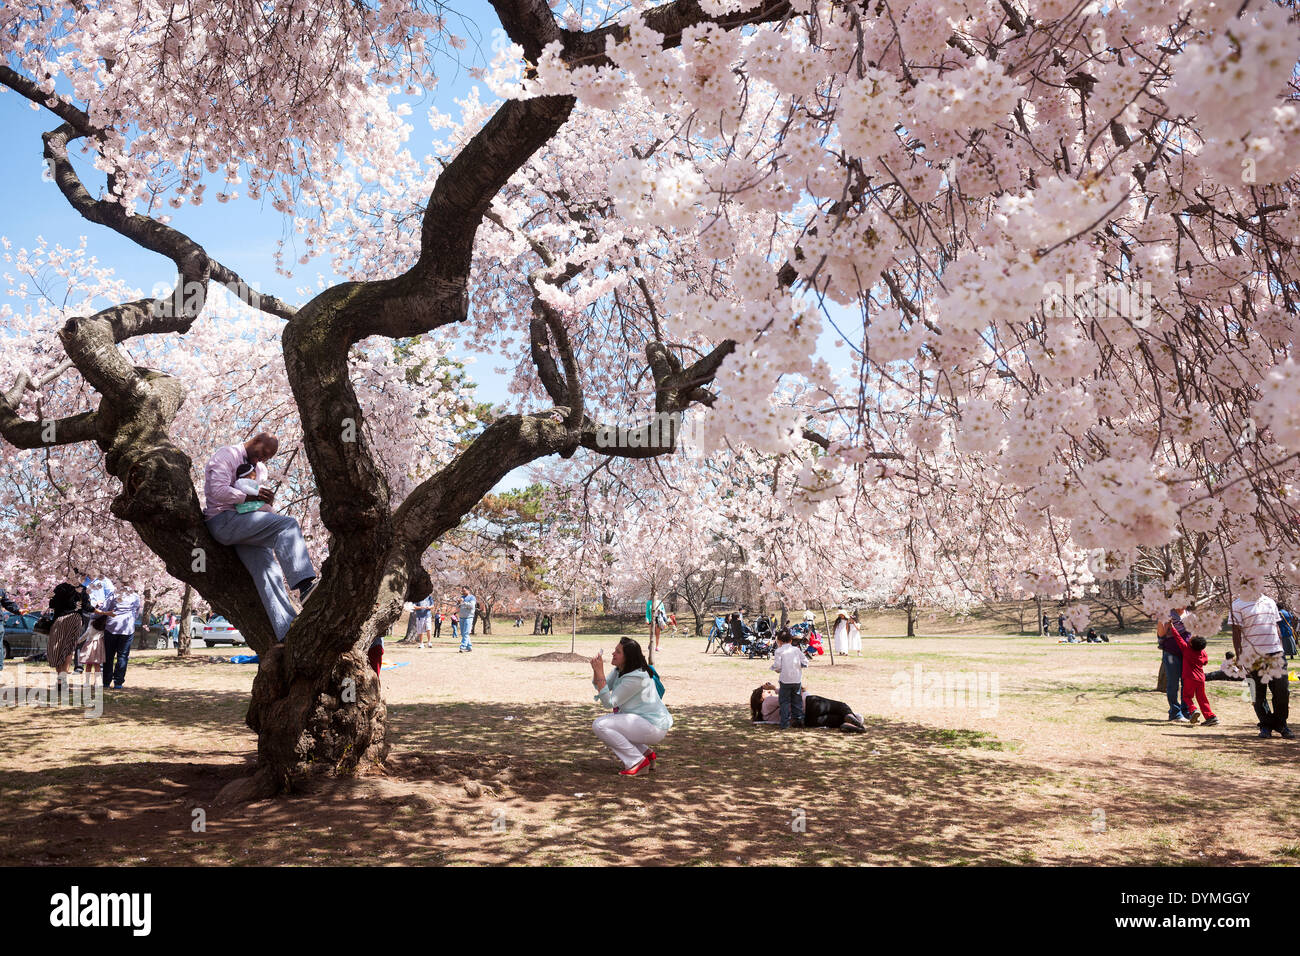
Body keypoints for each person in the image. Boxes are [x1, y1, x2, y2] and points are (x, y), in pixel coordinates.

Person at [203, 433, 317, 643]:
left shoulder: (261, 469)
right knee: (288, 526)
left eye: (269, 456)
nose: (264, 459)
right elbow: (217, 490)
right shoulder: (226, 455)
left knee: (268, 572)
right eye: (264, 452)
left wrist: (266, 503)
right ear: (256, 441)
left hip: (247, 524)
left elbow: (253, 501)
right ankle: (305, 585)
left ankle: (286, 632)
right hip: (224, 520)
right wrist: (251, 496)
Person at [590, 637, 671, 776]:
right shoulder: (620, 670)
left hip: (653, 727)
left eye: (618, 652)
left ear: (628, 657)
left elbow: (608, 702)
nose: (613, 654)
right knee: (613, 723)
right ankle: (645, 754)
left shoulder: (636, 678)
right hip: (644, 722)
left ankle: (636, 761)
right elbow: (600, 685)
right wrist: (596, 670)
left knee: (600, 725)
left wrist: (600, 671)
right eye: (615, 650)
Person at [1231, 591, 1291, 739]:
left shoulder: (1270, 601)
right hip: (1252, 656)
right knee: (1258, 694)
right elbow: (1236, 632)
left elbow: (1276, 626)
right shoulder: (1238, 604)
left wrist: (1281, 647)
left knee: (1282, 690)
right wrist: (1239, 657)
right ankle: (1265, 725)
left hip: (1275, 653)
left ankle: (1281, 723)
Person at [749, 683, 865, 731]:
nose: (769, 693)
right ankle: (852, 718)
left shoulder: (766, 717)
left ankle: (849, 723)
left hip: (807, 720)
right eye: (765, 691)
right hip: (809, 704)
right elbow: (788, 696)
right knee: (841, 707)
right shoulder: (767, 702)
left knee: (838, 719)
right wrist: (775, 688)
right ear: (760, 698)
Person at [1166, 628, 1218, 727]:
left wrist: (1172, 626)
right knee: (1202, 699)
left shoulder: (1186, 649)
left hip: (1190, 678)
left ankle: (1193, 710)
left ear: (1190, 644)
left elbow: (1178, 638)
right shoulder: (1202, 652)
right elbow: (1205, 662)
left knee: (1187, 697)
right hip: (1201, 679)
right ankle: (1211, 717)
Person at [100, 582, 142, 690]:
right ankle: (118, 682)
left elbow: (104, 608)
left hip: (112, 627)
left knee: (108, 656)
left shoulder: (113, 594)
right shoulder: (135, 596)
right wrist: (131, 619)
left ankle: (106, 682)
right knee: (122, 656)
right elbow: (137, 611)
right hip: (127, 629)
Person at [1155, 607, 1194, 723]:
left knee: (1186, 682)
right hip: (1171, 652)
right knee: (1173, 683)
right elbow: (1161, 633)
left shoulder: (1190, 615)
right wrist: (1162, 620)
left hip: (1187, 653)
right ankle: (1175, 713)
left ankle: (1186, 711)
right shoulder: (1167, 614)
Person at [770, 628, 806, 729]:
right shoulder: (796, 649)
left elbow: (777, 665)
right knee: (797, 701)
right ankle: (799, 721)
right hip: (796, 679)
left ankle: (784, 723)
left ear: (779, 641)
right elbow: (805, 661)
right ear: (791, 640)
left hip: (785, 680)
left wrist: (775, 669)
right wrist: (801, 666)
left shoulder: (778, 651)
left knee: (784, 701)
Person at [77, 614, 108, 688]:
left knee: (88, 664)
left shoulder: (92, 622)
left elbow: (87, 633)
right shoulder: (104, 623)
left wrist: (78, 641)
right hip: (99, 645)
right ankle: (97, 682)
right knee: (97, 665)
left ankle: (87, 682)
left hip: (90, 645)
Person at [457, 586, 476, 653]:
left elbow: (472, 606)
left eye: (464, 591)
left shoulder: (472, 597)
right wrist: (459, 602)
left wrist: (463, 602)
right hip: (462, 617)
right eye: (462, 591)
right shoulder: (462, 597)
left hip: (469, 617)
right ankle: (469, 647)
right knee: (463, 634)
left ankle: (462, 647)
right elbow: (457, 607)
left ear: (468, 590)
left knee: (466, 633)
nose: (463, 592)